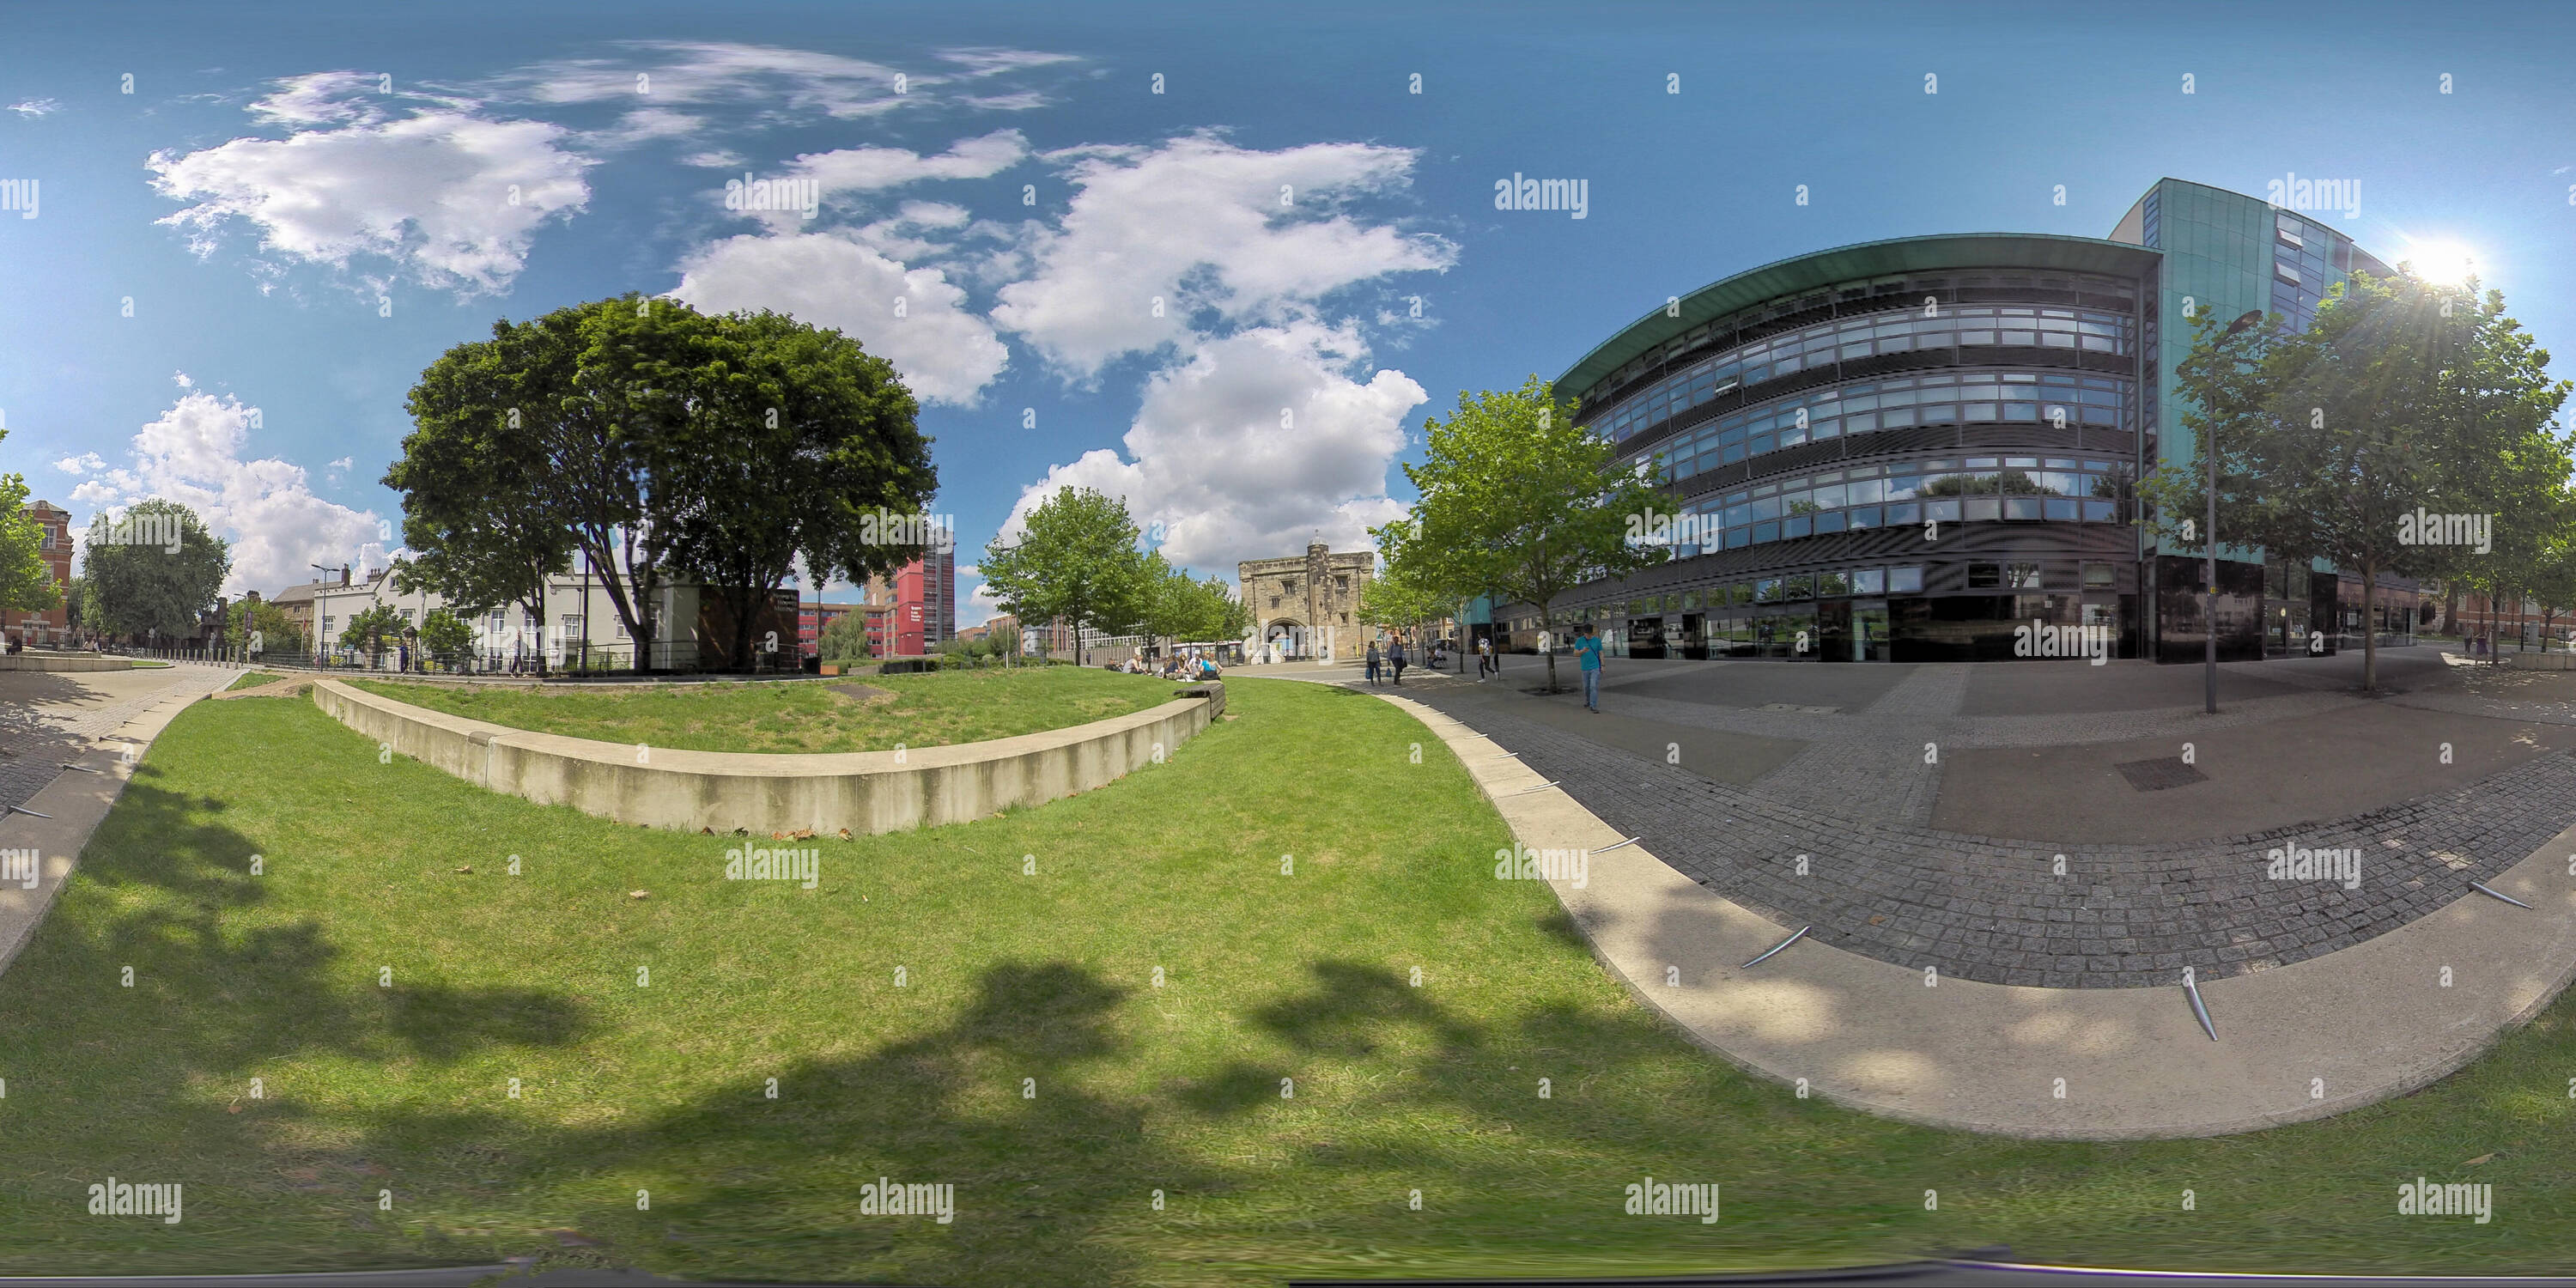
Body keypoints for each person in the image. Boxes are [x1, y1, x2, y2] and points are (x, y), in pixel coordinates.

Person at [1575, 622, 1604, 713]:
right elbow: (1575, 654)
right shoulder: (1579, 641)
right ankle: (1588, 701)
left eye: (1589, 633)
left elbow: (1601, 653)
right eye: (1586, 633)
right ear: (1584, 633)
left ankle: (1593, 706)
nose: (1588, 635)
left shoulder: (1597, 641)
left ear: (1592, 633)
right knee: (1586, 687)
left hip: (1595, 667)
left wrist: (1603, 665)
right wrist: (1582, 651)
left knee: (1593, 686)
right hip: (1585, 668)